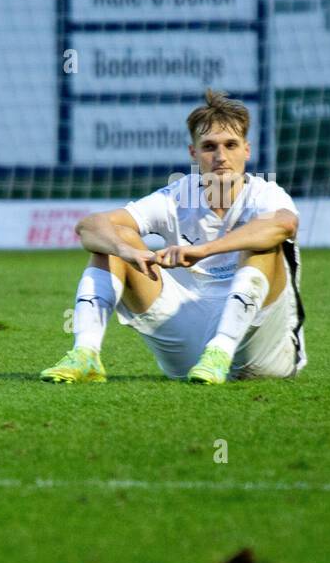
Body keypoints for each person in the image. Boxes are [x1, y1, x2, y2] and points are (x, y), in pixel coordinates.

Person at [40, 89, 306, 385]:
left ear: (247, 150)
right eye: (209, 147)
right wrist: (124, 251)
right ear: (194, 153)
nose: (220, 157)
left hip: (262, 351)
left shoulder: (265, 193)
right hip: (188, 338)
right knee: (116, 236)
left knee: (264, 243)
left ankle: (221, 350)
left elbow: (285, 225)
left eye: (231, 145)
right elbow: (89, 227)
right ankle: (85, 353)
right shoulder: (177, 196)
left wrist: (205, 249)